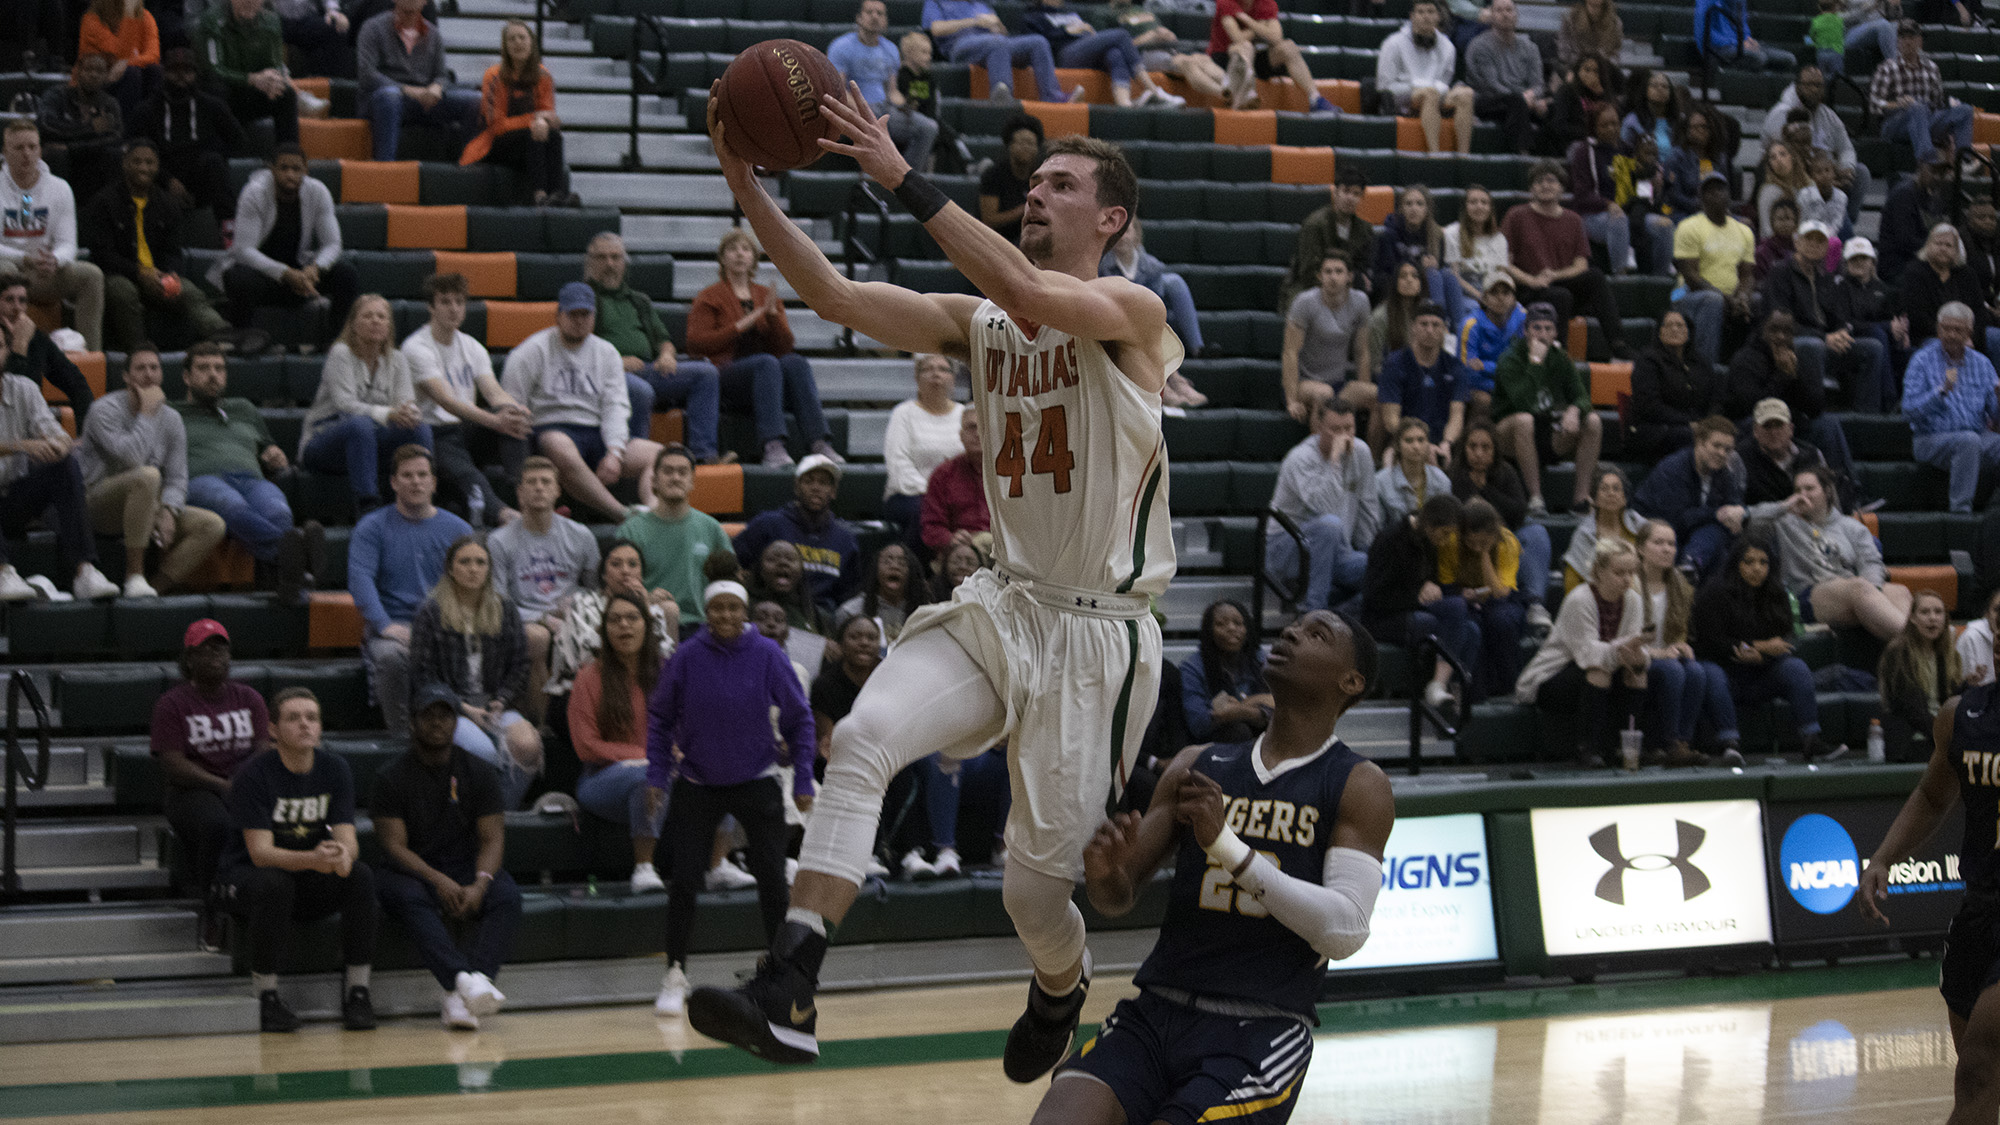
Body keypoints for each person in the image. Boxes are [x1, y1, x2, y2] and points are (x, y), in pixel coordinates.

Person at [695, 95, 1177, 1077]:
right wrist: (746, 191)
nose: (1036, 192)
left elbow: (1040, 298)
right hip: (1004, 602)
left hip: (1101, 639)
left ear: (1110, 220)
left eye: (1061, 185)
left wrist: (896, 175)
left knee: (1033, 898)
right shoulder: (982, 321)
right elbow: (830, 294)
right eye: (1033, 181)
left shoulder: (1135, 313)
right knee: (866, 736)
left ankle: (1061, 984)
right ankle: (788, 981)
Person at [1035, 608, 1391, 1125]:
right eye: (1291, 626)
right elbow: (1115, 899)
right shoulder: (1196, 764)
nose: (1291, 633)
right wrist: (1105, 872)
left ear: (1350, 682)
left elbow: (1345, 930)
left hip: (1262, 1030)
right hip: (1154, 1012)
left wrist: (1225, 845)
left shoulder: (1358, 782)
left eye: (1316, 635)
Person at [648, 580, 816, 1019]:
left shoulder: (767, 655)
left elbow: (800, 719)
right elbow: (660, 717)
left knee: (773, 881)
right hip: (698, 781)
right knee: (685, 880)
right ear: (706, 613)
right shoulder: (686, 657)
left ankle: (782, 975)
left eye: (733, 608)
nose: (725, 615)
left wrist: (802, 779)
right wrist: (655, 774)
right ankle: (675, 974)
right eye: (717, 608)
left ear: (745, 613)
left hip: (756, 777)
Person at [1857, 674, 2000, 1125]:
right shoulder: (1962, 715)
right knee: (1983, 1075)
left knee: (1978, 1064)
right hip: (1980, 910)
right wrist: (1883, 857)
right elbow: (1933, 796)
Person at [217, 688, 377, 1034]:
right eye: (294, 718)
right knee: (275, 882)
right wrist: (314, 859)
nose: (305, 724)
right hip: (248, 877)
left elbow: (347, 835)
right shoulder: (254, 776)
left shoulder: (335, 769)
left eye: (312, 718)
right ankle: (267, 996)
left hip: (306, 872)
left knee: (360, 876)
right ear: (273, 730)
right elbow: (261, 854)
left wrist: (343, 856)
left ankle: (358, 991)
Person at [372, 682, 520, 1031]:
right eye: (429, 715)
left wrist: (480, 885)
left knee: (507, 896)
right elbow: (394, 846)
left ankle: (471, 986)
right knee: (407, 896)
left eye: (445, 715)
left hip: (465, 865)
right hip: (412, 870)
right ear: (413, 722)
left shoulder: (478, 772)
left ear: (456, 723)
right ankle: (461, 981)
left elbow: (493, 838)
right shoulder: (390, 776)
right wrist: (437, 880)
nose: (437, 722)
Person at [151, 619, 269, 947]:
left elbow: (262, 752)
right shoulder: (172, 704)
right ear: (189, 658)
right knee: (218, 823)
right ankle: (213, 909)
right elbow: (173, 765)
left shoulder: (249, 698)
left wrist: (241, 784)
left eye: (221, 647)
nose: (216, 654)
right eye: (206, 648)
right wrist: (222, 785)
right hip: (191, 791)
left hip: (241, 785)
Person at [501, 282, 663, 521]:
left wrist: (615, 452)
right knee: (558, 443)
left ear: (594, 317)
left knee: (659, 454)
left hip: (597, 431)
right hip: (552, 430)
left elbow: (615, 405)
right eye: (573, 314)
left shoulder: (607, 352)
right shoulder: (530, 351)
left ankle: (653, 514)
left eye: (585, 314)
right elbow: (511, 403)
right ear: (559, 316)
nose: (579, 320)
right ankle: (621, 514)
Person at [76, 345, 225, 598]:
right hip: (96, 504)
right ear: (126, 377)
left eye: (154, 368)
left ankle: (154, 588)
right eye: (140, 368)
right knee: (148, 476)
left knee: (212, 525)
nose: (148, 374)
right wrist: (146, 413)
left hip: (147, 505)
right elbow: (132, 458)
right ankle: (135, 575)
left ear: (162, 375)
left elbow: (178, 477)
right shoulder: (104, 410)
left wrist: (168, 509)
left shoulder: (172, 419)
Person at [173, 341, 317, 596]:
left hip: (251, 480)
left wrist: (273, 455)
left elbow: (268, 448)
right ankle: (301, 560)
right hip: (203, 481)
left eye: (219, 369)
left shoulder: (243, 408)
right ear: (187, 376)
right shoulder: (172, 414)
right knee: (232, 506)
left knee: (278, 512)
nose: (213, 375)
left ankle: (290, 582)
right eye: (204, 368)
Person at [349, 445, 474, 735]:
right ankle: (403, 739)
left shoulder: (459, 530)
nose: (416, 481)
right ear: (394, 482)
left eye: (422, 475)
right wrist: (384, 625)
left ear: (433, 482)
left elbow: (473, 585)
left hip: (447, 625)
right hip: (395, 625)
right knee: (391, 657)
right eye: (407, 475)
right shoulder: (372, 528)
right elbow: (360, 580)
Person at [410, 535, 540, 809]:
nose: (473, 568)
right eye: (465, 562)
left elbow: (520, 665)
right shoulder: (431, 611)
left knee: (528, 746)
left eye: (480, 562)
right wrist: (463, 707)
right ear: (450, 568)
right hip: (449, 706)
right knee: (482, 751)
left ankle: (500, 812)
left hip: (495, 704)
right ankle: (482, 817)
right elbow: (423, 676)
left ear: (489, 568)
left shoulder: (505, 609)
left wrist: (502, 700)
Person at [688, 231, 836, 471]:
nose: (739, 254)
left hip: (767, 378)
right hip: (725, 375)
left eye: (745, 249)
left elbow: (785, 345)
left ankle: (819, 442)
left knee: (795, 363)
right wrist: (742, 325)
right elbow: (696, 344)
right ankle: (773, 446)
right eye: (733, 249)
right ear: (722, 258)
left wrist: (773, 317)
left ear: (753, 259)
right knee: (766, 363)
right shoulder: (709, 297)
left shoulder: (766, 296)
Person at [81, 140, 232, 354]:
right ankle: (139, 355)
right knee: (124, 293)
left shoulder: (167, 204)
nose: (144, 167)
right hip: (119, 274)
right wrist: (140, 272)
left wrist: (169, 274)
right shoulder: (104, 202)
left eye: (149, 162)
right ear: (125, 164)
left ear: (157, 166)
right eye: (137, 162)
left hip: (158, 274)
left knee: (188, 291)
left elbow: (173, 251)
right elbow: (102, 254)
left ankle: (224, 336)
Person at [0, 333, 119, 602]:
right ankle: (3, 572)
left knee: (64, 464)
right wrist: (23, 445)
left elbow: (58, 435)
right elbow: (24, 446)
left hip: (14, 502)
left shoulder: (23, 389)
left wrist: (57, 446)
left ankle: (85, 571)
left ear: (7, 351)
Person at [1693, 535, 1835, 758]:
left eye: (1763, 562)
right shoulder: (1715, 591)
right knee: (1710, 673)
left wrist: (1762, 657)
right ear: (1735, 563)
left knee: (1796, 668)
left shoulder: (1777, 592)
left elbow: (1782, 644)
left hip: (1762, 673)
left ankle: (1811, 739)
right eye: (1748, 562)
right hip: (1724, 669)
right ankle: (1729, 743)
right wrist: (1756, 646)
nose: (1756, 568)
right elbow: (1708, 642)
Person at [585, 233, 721, 460]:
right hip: (608, 373)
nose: (609, 264)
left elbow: (663, 340)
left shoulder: (638, 300)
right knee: (641, 391)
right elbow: (578, 348)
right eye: (602, 258)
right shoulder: (586, 298)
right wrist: (617, 362)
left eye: (615, 257)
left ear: (624, 263)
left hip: (649, 369)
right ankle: (637, 460)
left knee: (706, 374)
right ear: (590, 263)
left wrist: (667, 355)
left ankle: (703, 455)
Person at [404, 272, 523, 528]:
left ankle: (525, 491)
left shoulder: (472, 346)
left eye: (459, 302)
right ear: (431, 307)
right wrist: (494, 420)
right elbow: (446, 401)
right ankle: (506, 516)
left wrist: (513, 410)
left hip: (466, 429)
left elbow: (493, 392)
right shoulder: (416, 347)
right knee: (469, 474)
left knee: (517, 427)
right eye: (445, 302)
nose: (454, 309)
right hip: (433, 431)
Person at [1516, 537, 1646, 766]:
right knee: (1599, 671)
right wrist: (1623, 651)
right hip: (1556, 676)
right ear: (1599, 571)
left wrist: (1638, 658)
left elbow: (1634, 645)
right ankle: (1588, 748)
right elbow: (1587, 655)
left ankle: (1624, 748)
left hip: (1604, 668)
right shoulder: (1580, 599)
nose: (1627, 579)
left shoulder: (1633, 600)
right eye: (1619, 573)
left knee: (1638, 674)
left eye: (1631, 573)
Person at [572, 590, 669, 891]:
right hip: (601, 778)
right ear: (605, 629)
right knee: (645, 775)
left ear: (647, 625)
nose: (624, 626)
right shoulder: (590, 676)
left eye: (632, 618)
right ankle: (643, 867)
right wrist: (643, 756)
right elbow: (585, 744)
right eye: (615, 620)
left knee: (720, 771)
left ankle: (721, 864)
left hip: (664, 770)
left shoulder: (668, 671)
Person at [300, 295, 433, 512]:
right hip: (325, 442)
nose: (375, 321)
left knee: (419, 429)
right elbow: (345, 404)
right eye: (368, 316)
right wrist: (390, 413)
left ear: (389, 325)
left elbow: (406, 403)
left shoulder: (397, 359)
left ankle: (419, 501)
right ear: (353, 324)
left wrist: (410, 414)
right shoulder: (341, 353)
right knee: (359, 425)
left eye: (381, 316)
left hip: (372, 444)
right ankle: (368, 507)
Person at [213, 145, 357, 344]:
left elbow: (333, 244)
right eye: (284, 168)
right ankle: (242, 337)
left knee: (346, 274)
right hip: (264, 278)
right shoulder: (254, 192)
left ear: (306, 170)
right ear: (272, 169)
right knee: (238, 277)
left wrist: (316, 268)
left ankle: (336, 342)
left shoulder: (318, 191)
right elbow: (243, 251)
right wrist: (285, 273)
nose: (290, 175)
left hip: (301, 277)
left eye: (296, 169)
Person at [1634, 519, 1741, 765]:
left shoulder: (1680, 585)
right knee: (1673, 670)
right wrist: (1659, 652)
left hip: (1665, 656)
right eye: (1658, 543)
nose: (1667, 549)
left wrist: (1682, 644)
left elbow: (1679, 633)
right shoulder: (1630, 583)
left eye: (1671, 544)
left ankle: (1683, 741)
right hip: (1638, 656)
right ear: (1640, 548)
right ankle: (1669, 741)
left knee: (1695, 670)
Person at [1771, 463, 1913, 641]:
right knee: (1858, 587)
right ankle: (1919, 643)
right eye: (1798, 490)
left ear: (1827, 492)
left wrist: (1874, 592)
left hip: (1849, 592)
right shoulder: (1785, 523)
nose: (1802, 495)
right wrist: (1783, 507)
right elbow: (1753, 520)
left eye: (1809, 489)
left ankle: (1909, 647)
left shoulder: (1851, 526)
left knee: (1899, 591)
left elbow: (1871, 563)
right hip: (1807, 593)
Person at [1363, 494, 1475, 719]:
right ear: (1430, 524)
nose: (1446, 540)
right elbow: (1374, 596)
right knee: (1432, 624)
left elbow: (1429, 579)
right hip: (1383, 617)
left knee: (1470, 626)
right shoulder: (1391, 539)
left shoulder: (1430, 540)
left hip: (1413, 608)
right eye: (1444, 534)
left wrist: (1432, 585)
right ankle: (1438, 692)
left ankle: (1444, 691)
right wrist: (1417, 596)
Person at [1502, 160, 1627, 353]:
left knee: (1595, 277)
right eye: (1538, 181)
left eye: (1551, 181)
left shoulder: (1573, 219)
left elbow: (1581, 264)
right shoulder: (1516, 215)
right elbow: (1504, 262)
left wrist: (1554, 275)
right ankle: (1557, 353)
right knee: (1561, 296)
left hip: (1559, 282)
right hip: (1528, 288)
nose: (1545, 185)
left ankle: (1618, 344)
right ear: (1531, 189)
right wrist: (1532, 280)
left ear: (1561, 188)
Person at [1764, 222, 1890, 413]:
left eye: (1820, 240)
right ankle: (1816, 414)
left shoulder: (1826, 278)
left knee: (1872, 349)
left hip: (1825, 343)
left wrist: (1841, 332)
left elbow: (1838, 316)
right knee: (1811, 346)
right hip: (1793, 342)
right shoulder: (1780, 272)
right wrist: (1824, 338)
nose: (1814, 244)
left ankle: (1865, 417)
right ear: (1797, 242)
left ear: (1826, 247)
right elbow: (1781, 324)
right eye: (1809, 238)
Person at [0, 122, 104, 352]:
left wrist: (55, 260)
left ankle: (91, 356)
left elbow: (68, 244)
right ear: (5, 153)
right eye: (18, 148)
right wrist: (24, 258)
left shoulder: (60, 188)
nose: (26, 154)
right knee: (4, 270)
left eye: (32, 147)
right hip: (9, 271)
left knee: (91, 275)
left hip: (44, 273)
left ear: (40, 150)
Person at [1492, 301, 1602, 516]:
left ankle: (1581, 500)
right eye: (1537, 328)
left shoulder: (1560, 358)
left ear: (1555, 333)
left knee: (1593, 421)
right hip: (1509, 436)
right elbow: (1522, 402)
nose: (1542, 334)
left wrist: (1574, 410)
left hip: (1547, 431)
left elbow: (1581, 396)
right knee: (1524, 419)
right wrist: (1535, 363)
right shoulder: (1510, 360)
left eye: (1548, 329)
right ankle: (1536, 499)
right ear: (1525, 331)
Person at [1268, 399, 1379, 611]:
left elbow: (1368, 507)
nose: (1344, 436)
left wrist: (1369, 549)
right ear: (1319, 428)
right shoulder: (1300, 458)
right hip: (1287, 549)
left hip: (1337, 552)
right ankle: (1313, 612)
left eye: (1349, 428)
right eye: (1335, 430)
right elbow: (1326, 506)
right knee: (1329, 525)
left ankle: (1342, 613)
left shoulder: (1362, 452)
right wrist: (1335, 460)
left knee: (1382, 568)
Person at [1724, 311, 1857, 481]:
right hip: (1752, 423)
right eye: (1774, 330)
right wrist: (1782, 376)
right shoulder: (1746, 359)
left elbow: (1815, 407)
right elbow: (1749, 406)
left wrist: (1795, 377)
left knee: (1827, 425)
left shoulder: (1796, 356)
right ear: (1762, 330)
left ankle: (1847, 488)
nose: (1780, 337)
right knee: (1756, 423)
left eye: (1787, 332)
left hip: (1789, 423)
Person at [545, 539, 678, 700]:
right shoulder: (582, 604)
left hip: (638, 692)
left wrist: (644, 611)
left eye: (633, 564)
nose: (625, 571)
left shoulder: (651, 610)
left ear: (641, 575)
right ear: (604, 574)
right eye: (616, 564)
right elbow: (586, 656)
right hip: (581, 692)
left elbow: (664, 658)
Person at [1450, 419, 1554, 626]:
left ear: (1494, 450)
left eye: (1485, 447)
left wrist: (1485, 490)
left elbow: (1518, 513)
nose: (1479, 453)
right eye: (1473, 447)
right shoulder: (1454, 475)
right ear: (1464, 449)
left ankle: (1535, 603)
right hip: (1468, 548)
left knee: (1536, 533)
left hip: (1503, 544)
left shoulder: (1506, 471)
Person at [616, 445, 729, 631]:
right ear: (654, 481)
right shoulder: (631, 531)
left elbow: (727, 581)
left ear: (692, 481)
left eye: (682, 472)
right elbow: (619, 587)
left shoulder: (712, 529)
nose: (675, 477)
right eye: (668, 471)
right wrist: (646, 599)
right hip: (648, 624)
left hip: (701, 628)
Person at [462, 20, 574, 207]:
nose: (518, 42)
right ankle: (539, 196)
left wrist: (545, 121)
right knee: (534, 135)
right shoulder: (493, 76)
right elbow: (496, 126)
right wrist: (536, 119)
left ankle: (557, 195)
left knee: (553, 136)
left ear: (531, 43)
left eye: (522, 37)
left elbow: (548, 114)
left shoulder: (543, 75)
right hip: (495, 144)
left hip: (528, 144)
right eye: (511, 39)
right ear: (505, 46)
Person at [733, 455, 862, 615]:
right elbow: (734, 564)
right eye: (809, 481)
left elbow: (847, 595)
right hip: (770, 614)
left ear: (833, 491)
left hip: (821, 620)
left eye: (823, 482)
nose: (816, 488)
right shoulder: (767, 524)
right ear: (796, 487)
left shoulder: (845, 540)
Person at [355, 0, 481, 162]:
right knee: (390, 97)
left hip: (424, 100)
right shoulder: (372, 27)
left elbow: (441, 75)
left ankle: (468, 166)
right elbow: (367, 74)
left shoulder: (433, 33)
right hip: (384, 99)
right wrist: (407, 90)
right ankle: (384, 166)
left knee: (476, 100)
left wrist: (436, 87)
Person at [1905, 302, 2000, 515]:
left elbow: (1994, 417)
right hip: (1930, 439)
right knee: (1968, 440)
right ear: (1938, 330)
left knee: (1980, 441)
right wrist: (1941, 392)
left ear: (1969, 332)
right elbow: (1909, 410)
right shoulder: (1921, 361)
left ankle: (1995, 510)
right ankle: (1960, 512)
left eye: (1958, 330)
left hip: (1977, 436)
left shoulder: (1982, 364)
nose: (1951, 335)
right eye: (1946, 329)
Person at [134, 48, 244, 227]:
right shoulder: (147, 109)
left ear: (195, 74)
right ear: (164, 73)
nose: (181, 76)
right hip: (158, 179)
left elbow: (237, 140)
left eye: (187, 71)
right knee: (138, 164)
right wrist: (166, 180)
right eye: (174, 71)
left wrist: (211, 154)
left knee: (214, 162)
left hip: (199, 180)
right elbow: (132, 146)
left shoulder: (212, 106)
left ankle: (229, 233)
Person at [1631, 415, 1744, 580]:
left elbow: (1733, 505)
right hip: (1653, 533)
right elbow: (1678, 519)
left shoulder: (1722, 473)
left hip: (1690, 540)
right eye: (1717, 446)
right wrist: (1718, 514)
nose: (1722, 453)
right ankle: (1689, 570)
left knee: (1722, 537)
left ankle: (1691, 569)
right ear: (1699, 442)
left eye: (1727, 450)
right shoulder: (1673, 469)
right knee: (1715, 531)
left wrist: (1740, 513)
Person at [832, 1, 942, 172]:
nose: (875, 16)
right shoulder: (841, 47)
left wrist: (905, 105)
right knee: (874, 117)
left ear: (885, 21)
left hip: (886, 109)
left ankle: (907, 180)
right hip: (857, 110)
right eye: (869, 12)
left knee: (929, 127)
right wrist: (862, 110)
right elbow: (838, 90)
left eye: (880, 13)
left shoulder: (890, 49)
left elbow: (892, 91)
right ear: (859, 18)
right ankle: (873, 179)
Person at [1763, 65, 1870, 229]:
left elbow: (1846, 148)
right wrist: (1825, 177)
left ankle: (1844, 221)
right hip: (1795, 177)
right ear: (1798, 86)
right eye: (1809, 84)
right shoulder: (1781, 114)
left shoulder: (1828, 115)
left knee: (1861, 172)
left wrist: (1846, 168)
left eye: (1818, 85)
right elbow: (1785, 157)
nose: (1814, 89)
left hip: (1825, 175)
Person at [1022, 0, 1182, 108]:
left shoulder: (1070, 12)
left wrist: (1088, 30)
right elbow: (1040, 44)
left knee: (1115, 53)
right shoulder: (1034, 16)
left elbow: (1085, 31)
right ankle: (1153, 90)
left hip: (1084, 48)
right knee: (1121, 35)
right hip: (1063, 53)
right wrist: (1066, 31)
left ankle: (1124, 104)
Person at [1670, 172, 1756, 367]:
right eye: (1709, 191)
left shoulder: (1744, 232)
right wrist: (1726, 299)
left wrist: (1742, 297)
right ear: (1701, 199)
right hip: (1682, 293)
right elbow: (1690, 276)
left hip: (1728, 296)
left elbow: (1747, 275)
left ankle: (1746, 370)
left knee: (1756, 301)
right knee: (1713, 300)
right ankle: (1704, 369)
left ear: (1729, 196)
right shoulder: (1688, 227)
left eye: (1720, 189)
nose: (1715, 194)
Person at [883, 354, 966, 548]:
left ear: (953, 378)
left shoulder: (965, 415)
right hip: (910, 495)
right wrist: (935, 495)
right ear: (917, 379)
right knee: (925, 513)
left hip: (957, 496)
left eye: (943, 369)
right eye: (928, 369)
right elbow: (898, 465)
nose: (935, 374)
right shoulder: (903, 413)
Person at [1101, 221, 1206, 374]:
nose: (1122, 237)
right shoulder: (1102, 266)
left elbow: (1156, 306)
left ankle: (1195, 351)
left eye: (1126, 232)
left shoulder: (1152, 266)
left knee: (1172, 295)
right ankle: (1174, 381)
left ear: (1136, 235)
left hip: (1148, 323)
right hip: (1121, 324)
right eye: (1118, 233)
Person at [193, 0, 300, 146]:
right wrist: (251, 79)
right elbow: (213, 69)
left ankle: (288, 153)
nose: (249, 2)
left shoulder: (272, 21)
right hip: (226, 91)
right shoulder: (212, 20)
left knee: (286, 94)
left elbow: (277, 64)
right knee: (215, 88)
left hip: (253, 92)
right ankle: (219, 153)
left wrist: (274, 81)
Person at [1378, 0, 1477, 154]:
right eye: (1421, 12)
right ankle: (1435, 154)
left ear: (1438, 16)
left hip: (1436, 93)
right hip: (1403, 94)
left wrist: (1434, 89)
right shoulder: (1393, 43)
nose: (1426, 17)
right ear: (1412, 16)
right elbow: (1384, 85)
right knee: (1429, 94)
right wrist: (1419, 88)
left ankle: (1464, 156)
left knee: (1466, 94)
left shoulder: (1447, 46)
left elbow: (1445, 80)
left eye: (1430, 12)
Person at [1872, 20, 1973, 167]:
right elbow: (1875, 104)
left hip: (1925, 117)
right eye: (1903, 38)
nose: (1907, 42)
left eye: (1911, 38)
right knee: (1916, 107)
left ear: (1919, 41)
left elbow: (1937, 103)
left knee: (1964, 111)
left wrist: (1950, 105)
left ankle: (1963, 162)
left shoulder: (1932, 68)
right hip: (1895, 123)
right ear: (1898, 42)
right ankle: (1928, 161)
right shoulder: (1887, 68)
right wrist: (1896, 104)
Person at [0, 274, 93, 433]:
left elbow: (77, 384)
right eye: (9, 300)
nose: (17, 308)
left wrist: (83, 436)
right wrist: (19, 345)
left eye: (22, 301)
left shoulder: (36, 339)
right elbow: (12, 392)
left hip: (30, 427)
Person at [922, 0, 1066, 103]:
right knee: (997, 43)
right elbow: (936, 29)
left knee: (1038, 41)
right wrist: (973, 21)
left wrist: (997, 25)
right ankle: (1002, 95)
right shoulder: (936, 2)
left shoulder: (982, 4)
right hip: (960, 45)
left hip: (994, 44)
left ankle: (1052, 95)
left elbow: (1003, 34)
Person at [1875, 592, 1960, 761]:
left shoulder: (1947, 654)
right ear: (1913, 618)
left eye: (1938, 612)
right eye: (1925, 612)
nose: (1932, 618)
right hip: (1910, 738)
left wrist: (1968, 686)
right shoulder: (1900, 652)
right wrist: (1947, 738)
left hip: (1938, 734)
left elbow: (1950, 701)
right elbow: (1913, 712)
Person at [1211, 0, 1336, 112]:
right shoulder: (1226, 2)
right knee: (1243, 47)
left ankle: (1315, 99)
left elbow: (1277, 37)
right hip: (1225, 59)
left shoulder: (1266, 3)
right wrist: (1262, 25)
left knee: (1288, 47)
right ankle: (1244, 97)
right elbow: (1238, 38)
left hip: (1254, 57)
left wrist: (1249, 21)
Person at [1176, 600, 1271, 743]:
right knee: (1238, 731)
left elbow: (1280, 707)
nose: (1231, 628)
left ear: (1247, 629)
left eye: (1238, 623)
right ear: (1209, 631)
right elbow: (1198, 724)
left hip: (1258, 735)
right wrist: (1255, 710)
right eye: (1221, 624)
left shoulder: (1258, 658)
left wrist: (1239, 710)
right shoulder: (1192, 667)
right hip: (1214, 742)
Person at [1282, 170, 1378, 312]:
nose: (1350, 198)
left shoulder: (1365, 229)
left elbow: (1362, 267)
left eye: (1356, 194)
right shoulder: (1315, 224)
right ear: (1335, 193)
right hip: (1309, 287)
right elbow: (1308, 272)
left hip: (1347, 287)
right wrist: (1337, 289)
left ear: (1361, 198)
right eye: (1345, 191)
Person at [1627, 310, 1718, 457]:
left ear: (1689, 332)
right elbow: (1649, 406)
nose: (1674, 329)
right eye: (1668, 325)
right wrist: (1689, 422)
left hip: (1695, 426)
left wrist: (1708, 423)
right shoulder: (1648, 360)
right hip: (1655, 430)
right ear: (1659, 332)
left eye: (1680, 325)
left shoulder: (1701, 363)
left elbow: (1714, 399)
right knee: (1690, 437)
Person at [1375, 186, 1464, 328]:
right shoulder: (1389, 235)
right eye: (1408, 204)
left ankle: (1459, 331)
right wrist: (1419, 267)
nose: (1413, 208)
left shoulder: (1436, 234)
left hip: (1429, 288)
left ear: (1427, 209)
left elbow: (1441, 270)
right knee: (1432, 274)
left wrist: (1435, 264)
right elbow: (1387, 271)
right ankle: (1440, 327)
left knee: (1448, 275)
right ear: (1401, 208)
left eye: (1419, 204)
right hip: (1400, 286)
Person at [1464, 0, 1547, 153]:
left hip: (1521, 101)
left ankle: (1553, 162)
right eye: (1499, 10)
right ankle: (1522, 157)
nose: (1505, 15)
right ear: (1491, 15)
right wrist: (1523, 98)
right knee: (1516, 102)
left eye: (1509, 10)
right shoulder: (1480, 45)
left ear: (1516, 15)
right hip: (1487, 100)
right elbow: (1491, 85)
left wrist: (1532, 95)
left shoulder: (1530, 47)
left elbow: (1539, 84)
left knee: (1552, 106)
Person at [1900, 225, 1996, 356]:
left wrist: (1969, 337)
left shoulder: (1967, 274)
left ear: (1957, 250)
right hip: (1929, 335)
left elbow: (1979, 312)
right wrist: (1951, 335)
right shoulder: (1915, 272)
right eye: (1938, 243)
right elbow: (1917, 317)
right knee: (1939, 346)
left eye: (1948, 245)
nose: (1943, 248)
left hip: (1967, 335)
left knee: (1996, 338)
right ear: (1928, 246)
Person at [38, 53, 125, 193]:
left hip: (92, 162)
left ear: (106, 76)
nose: (93, 75)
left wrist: (71, 147)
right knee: (54, 153)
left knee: (114, 154)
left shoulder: (109, 104)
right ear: (78, 72)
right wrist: (90, 128)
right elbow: (46, 125)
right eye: (89, 69)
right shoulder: (57, 95)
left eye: (99, 71)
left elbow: (114, 138)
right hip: (64, 161)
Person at [1569, 103, 1633, 275]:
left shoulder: (1628, 150)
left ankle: (1661, 284)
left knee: (1662, 225)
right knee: (1619, 220)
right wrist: (1608, 204)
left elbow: (1641, 183)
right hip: (1592, 214)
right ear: (1594, 128)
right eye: (1605, 125)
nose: (1612, 129)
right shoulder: (1584, 152)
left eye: (1615, 124)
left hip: (1628, 210)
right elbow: (1582, 195)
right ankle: (1621, 277)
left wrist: (1652, 185)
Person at [1738, 397, 1833, 508]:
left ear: (1791, 429)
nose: (1773, 432)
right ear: (1755, 431)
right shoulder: (1741, 458)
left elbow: (1829, 500)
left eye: (1779, 425)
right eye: (1766, 426)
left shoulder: (1812, 455)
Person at [919, 410, 991, 556]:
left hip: (1000, 552)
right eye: (971, 427)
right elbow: (931, 527)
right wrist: (951, 539)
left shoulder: (1010, 473)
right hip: (958, 552)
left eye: (984, 427)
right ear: (961, 435)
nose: (977, 434)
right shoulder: (943, 474)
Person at [78, 0, 161, 121]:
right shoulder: (91, 20)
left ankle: (153, 128)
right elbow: (119, 53)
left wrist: (128, 62)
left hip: (126, 77)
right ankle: (124, 132)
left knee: (154, 71)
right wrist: (130, 15)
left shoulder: (146, 17)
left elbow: (153, 55)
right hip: (99, 83)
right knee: (132, 74)